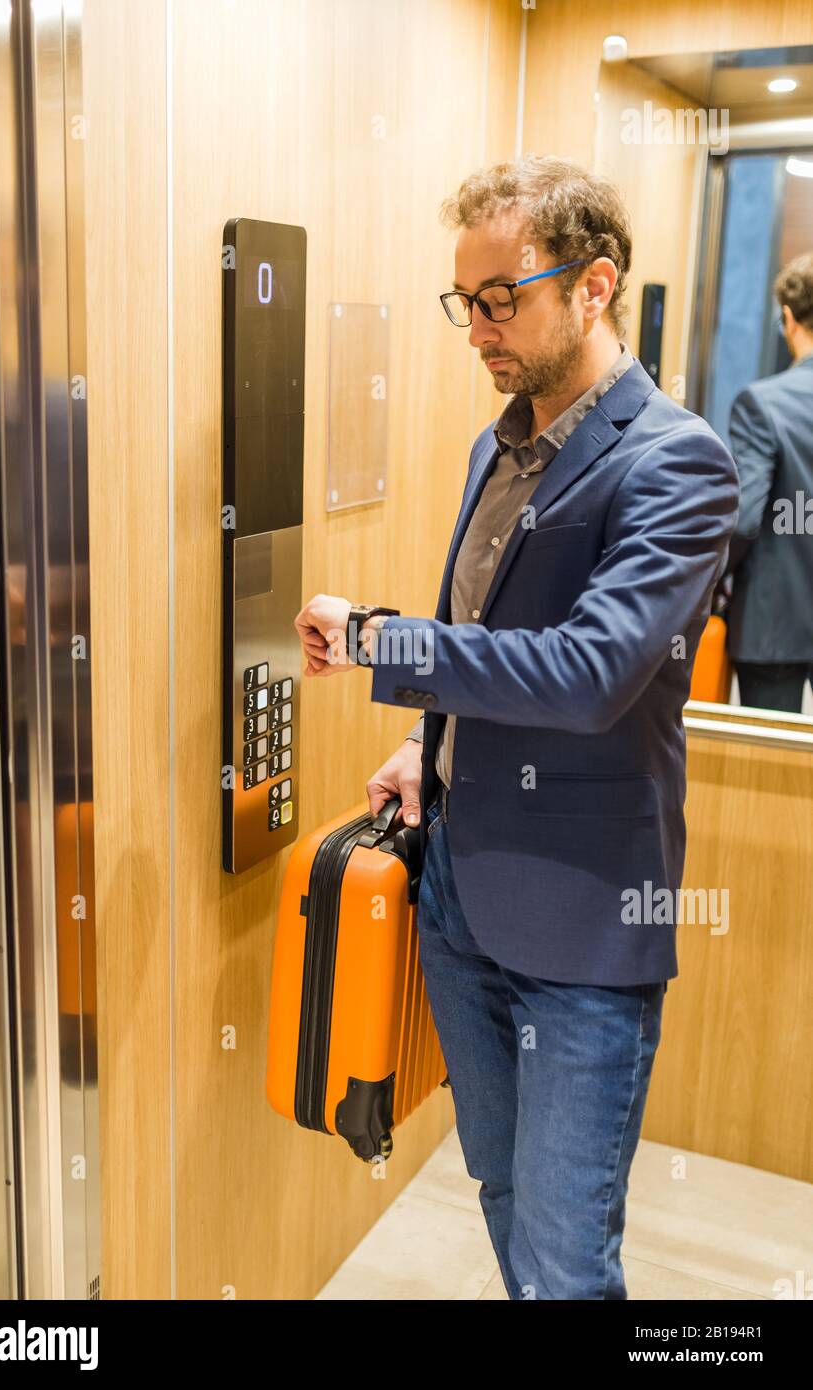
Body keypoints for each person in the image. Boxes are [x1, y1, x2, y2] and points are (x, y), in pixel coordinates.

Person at [294, 155, 740, 1300]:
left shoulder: (675, 461)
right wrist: (424, 743)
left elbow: (590, 672)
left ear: (591, 286)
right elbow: (485, 639)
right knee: (494, 1189)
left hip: (581, 934)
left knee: (563, 1254)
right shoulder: (493, 446)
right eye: (466, 303)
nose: (477, 328)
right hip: (458, 897)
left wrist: (381, 642)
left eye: (501, 299)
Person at [720, 251, 813, 712]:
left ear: (789, 317)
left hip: (774, 620)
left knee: (765, 773)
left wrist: (711, 580)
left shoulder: (763, 404)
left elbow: (743, 521)